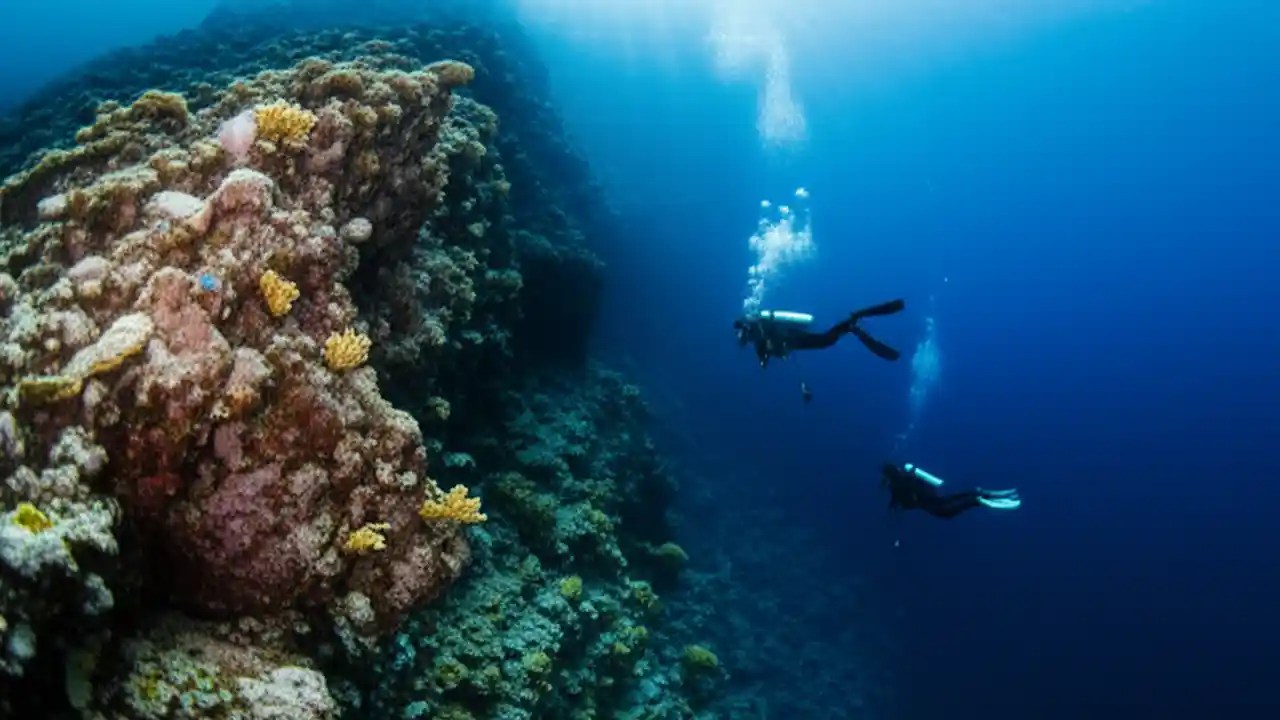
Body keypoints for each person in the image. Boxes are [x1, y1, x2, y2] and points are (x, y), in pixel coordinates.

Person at [733, 299, 906, 368]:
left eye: (742, 335)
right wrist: (765, 358)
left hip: (792, 336)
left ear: (745, 328)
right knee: (826, 342)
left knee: (825, 340)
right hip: (795, 344)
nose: (743, 339)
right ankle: (852, 324)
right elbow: (763, 361)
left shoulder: (759, 325)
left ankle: (853, 322)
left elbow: (765, 330)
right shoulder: (758, 344)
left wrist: (767, 344)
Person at [880, 462, 1021, 519]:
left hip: (935, 507)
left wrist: (893, 505)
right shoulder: (907, 474)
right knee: (966, 494)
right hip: (938, 495)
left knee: (961, 505)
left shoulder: (896, 487)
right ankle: (987, 494)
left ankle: (981, 500)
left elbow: (900, 502)